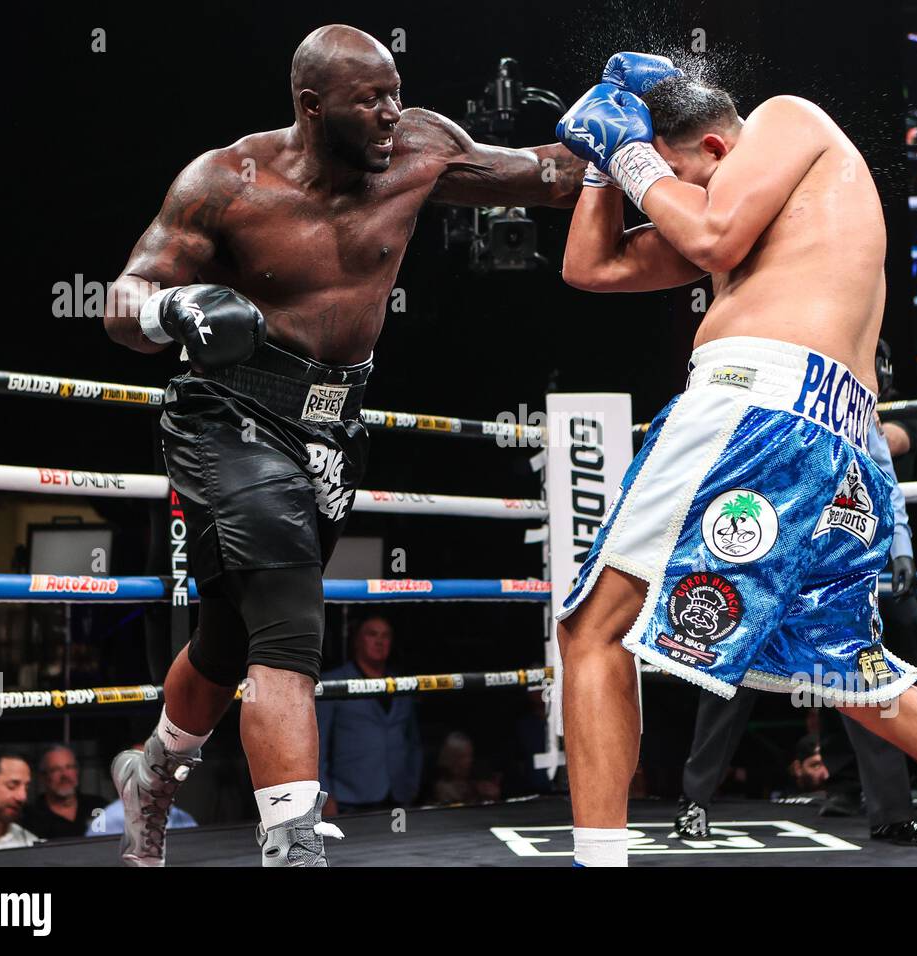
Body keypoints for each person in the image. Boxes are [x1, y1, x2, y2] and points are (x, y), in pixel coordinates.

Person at [552, 54, 917, 866]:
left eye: (680, 175)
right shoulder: (759, 226)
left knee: (590, 631)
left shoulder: (788, 119)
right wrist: (598, 167)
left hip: (753, 407)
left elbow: (709, 227)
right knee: (866, 689)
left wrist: (632, 155)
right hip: (833, 445)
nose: (666, 196)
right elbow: (592, 267)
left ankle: (597, 863)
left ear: (720, 153)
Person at [102, 24, 582, 867]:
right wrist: (171, 310)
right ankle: (291, 844)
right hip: (227, 414)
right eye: (373, 100)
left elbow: (544, 179)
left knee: (225, 642)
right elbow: (124, 298)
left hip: (332, 426)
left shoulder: (421, 148)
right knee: (290, 619)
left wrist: (642, 144)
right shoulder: (225, 181)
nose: (395, 113)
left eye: (397, 92)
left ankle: (152, 772)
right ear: (312, 106)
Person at [674, 415, 917, 847]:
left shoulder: (853, 398)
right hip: (763, 550)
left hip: (835, 555)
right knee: (733, 672)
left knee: (863, 677)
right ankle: (695, 801)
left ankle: (892, 813)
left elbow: (881, 475)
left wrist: (901, 546)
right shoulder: (770, 389)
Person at [316, 615, 423, 813]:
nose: (380, 641)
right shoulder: (333, 683)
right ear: (357, 640)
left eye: (386, 636)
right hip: (350, 798)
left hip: (399, 796)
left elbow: (413, 741)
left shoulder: (403, 683)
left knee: (404, 843)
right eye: (372, 634)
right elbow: (318, 743)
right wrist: (324, 794)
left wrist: (413, 782)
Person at [21, 745, 108, 840]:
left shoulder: (98, 806)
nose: (65, 775)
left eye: (69, 767)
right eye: (55, 770)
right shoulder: (30, 818)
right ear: (43, 777)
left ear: (77, 771)